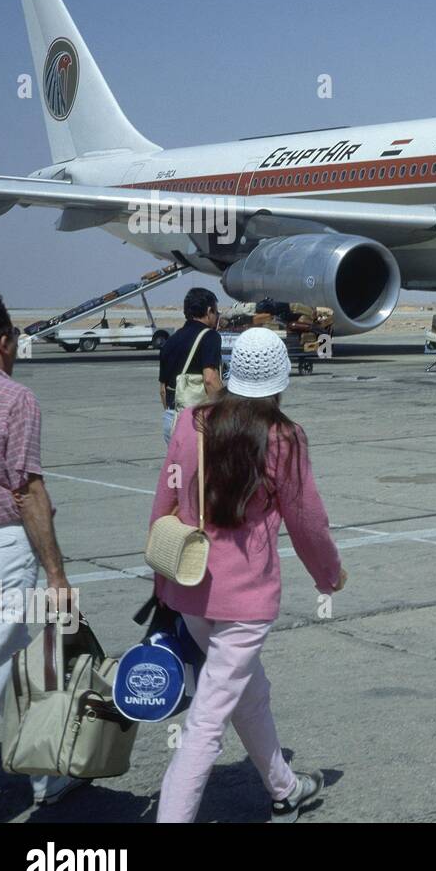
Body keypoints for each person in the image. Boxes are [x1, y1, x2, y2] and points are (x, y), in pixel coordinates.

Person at [151, 327, 345, 823]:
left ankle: (285, 787)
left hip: (191, 586)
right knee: (205, 725)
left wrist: (162, 581)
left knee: (248, 692)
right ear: (278, 381)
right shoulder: (283, 437)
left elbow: (165, 501)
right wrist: (329, 575)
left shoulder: (190, 422)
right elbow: (307, 520)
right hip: (245, 600)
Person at [0, 294, 80, 806]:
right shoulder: (15, 398)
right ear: (3, 342)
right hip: (1, 549)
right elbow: (29, 490)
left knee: (22, 666)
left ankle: (45, 775)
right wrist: (56, 575)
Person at [158, 287, 223, 444]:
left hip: (171, 419)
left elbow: (162, 390)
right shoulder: (210, 336)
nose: (217, 317)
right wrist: (226, 411)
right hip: (195, 421)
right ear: (209, 311)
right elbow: (210, 379)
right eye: (216, 312)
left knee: (180, 469)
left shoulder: (170, 341)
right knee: (205, 468)